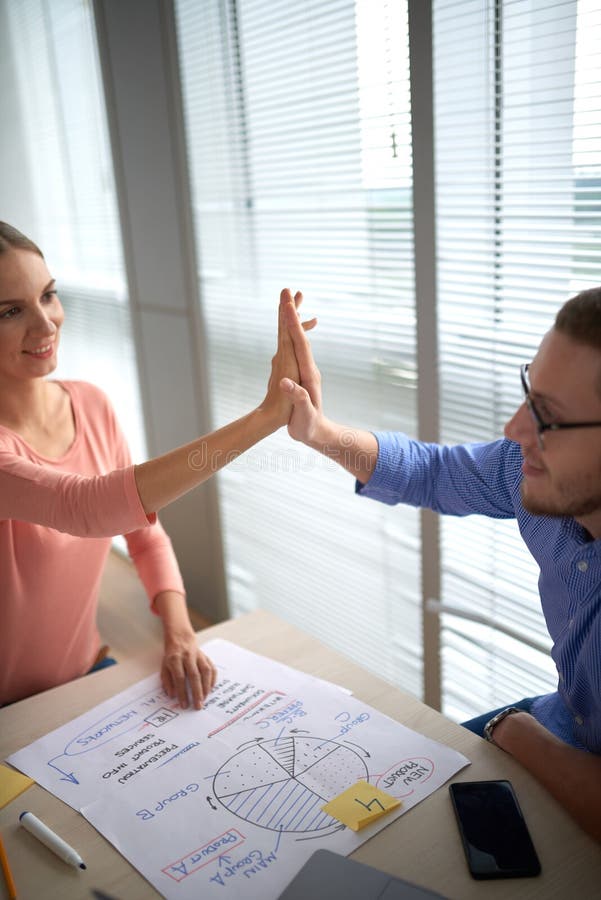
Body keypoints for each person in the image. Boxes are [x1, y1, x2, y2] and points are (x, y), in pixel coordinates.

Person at [279, 287, 601, 844]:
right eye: (529, 395)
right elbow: (432, 471)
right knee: (371, 824)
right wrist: (318, 432)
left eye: (546, 416)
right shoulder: (537, 474)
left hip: (549, 747)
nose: (515, 428)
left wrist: (516, 730)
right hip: (558, 721)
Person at [0, 221, 315, 710]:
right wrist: (265, 418)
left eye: (48, 295)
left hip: (86, 674)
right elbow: (87, 508)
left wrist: (181, 633)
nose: (46, 325)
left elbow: (143, 534)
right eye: (10, 311)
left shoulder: (91, 404)